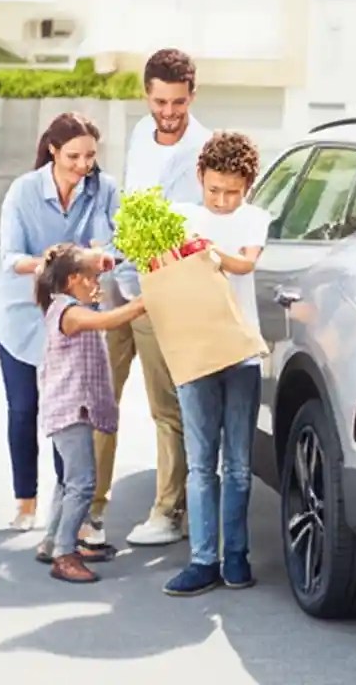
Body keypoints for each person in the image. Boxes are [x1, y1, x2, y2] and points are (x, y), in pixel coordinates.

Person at [89, 48, 214, 547]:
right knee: (101, 400)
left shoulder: (203, 147)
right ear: (147, 95)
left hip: (161, 289)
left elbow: (191, 223)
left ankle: (168, 510)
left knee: (166, 407)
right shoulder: (142, 134)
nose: (168, 112)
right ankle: (90, 505)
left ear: (192, 95)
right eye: (160, 101)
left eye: (178, 103)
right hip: (118, 282)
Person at [0, 113, 120, 531]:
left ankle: (71, 514)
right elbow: (10, 258)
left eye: (90, 156)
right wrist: (54, 263)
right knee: (25, 409)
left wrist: (106, 257)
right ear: (52, 150)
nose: (84, 165)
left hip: (71, 319)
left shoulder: (103, 189)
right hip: (21, 317)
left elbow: (117, 243)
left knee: (71, 414)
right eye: (74, 156)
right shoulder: (24, 192)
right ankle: (26, 503)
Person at [162, 131, 269, 596]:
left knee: (239, 465)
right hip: (196, 352)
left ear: (248, 185)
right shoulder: (182, 217)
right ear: (199, 178)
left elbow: (245, 266)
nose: (223, 200)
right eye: (214, 190)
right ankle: (203, 559)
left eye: (233, 191)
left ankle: (237, 556)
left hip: (241, 354)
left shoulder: (254, 219)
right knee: (200, 463)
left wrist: (208, 252)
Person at [31, 244, 147, 583]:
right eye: (93, 278)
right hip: (70, 409)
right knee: (83, 484)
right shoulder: (71, 312)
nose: (99, 283)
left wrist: (111, 262)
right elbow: (108, 319)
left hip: (66, 408)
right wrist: (144, 301)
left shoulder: (67, 302)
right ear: (72, 280)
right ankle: (65, 554)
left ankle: (52, 541)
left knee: (68, 481)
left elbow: (97, 301)